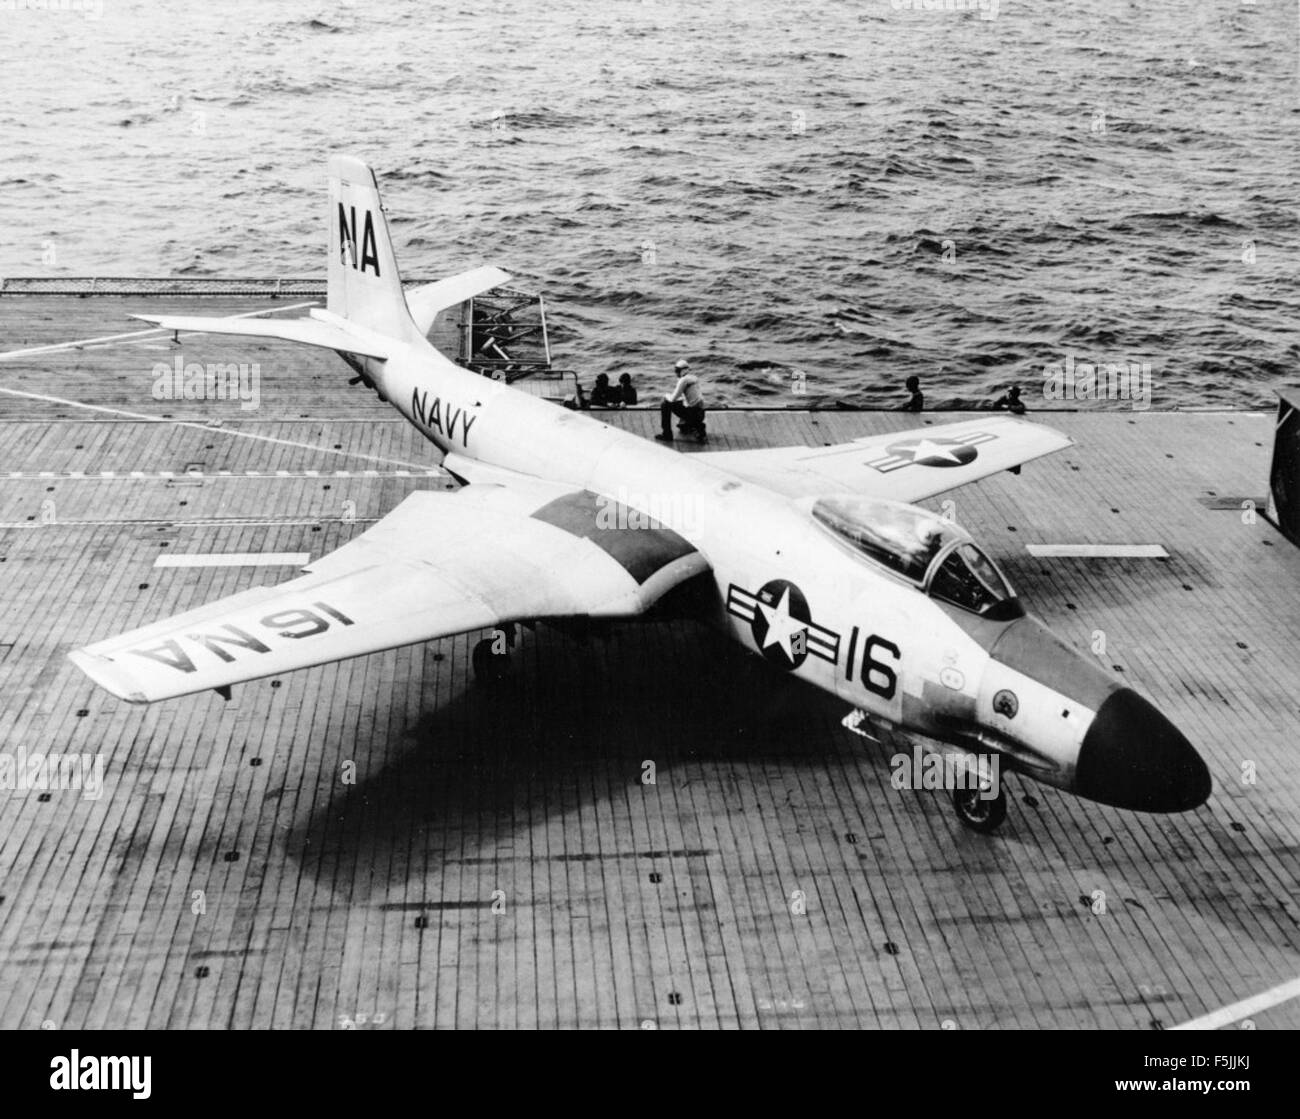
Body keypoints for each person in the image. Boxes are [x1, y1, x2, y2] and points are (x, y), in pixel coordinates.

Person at [656, 359, 706, 442]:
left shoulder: (683, 380)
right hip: (700, 413)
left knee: (665, 404)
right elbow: (686, 397)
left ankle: (667, 434)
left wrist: (665, 395)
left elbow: (672, 399)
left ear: (682, 370)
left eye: (677, 371)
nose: (676, 373)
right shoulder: (694, 378)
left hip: (693, 414)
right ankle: (697, 427)